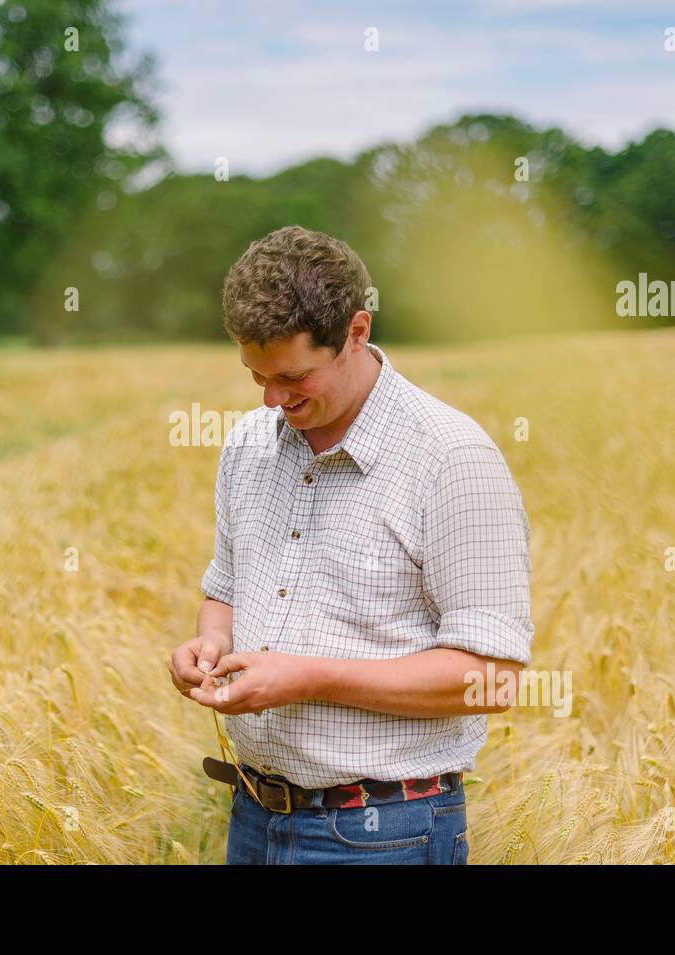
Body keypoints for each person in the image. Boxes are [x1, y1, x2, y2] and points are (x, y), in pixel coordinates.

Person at [168, 224, 534, 864]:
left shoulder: (451, 458)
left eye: (293, 376)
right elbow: (222, 592)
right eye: (255, 374)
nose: (272, 398)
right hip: (252, 818)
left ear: (357, 331)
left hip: (383, 833)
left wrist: (309, 677)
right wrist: (212, 644)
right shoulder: (248, 445)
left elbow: (492, 680)